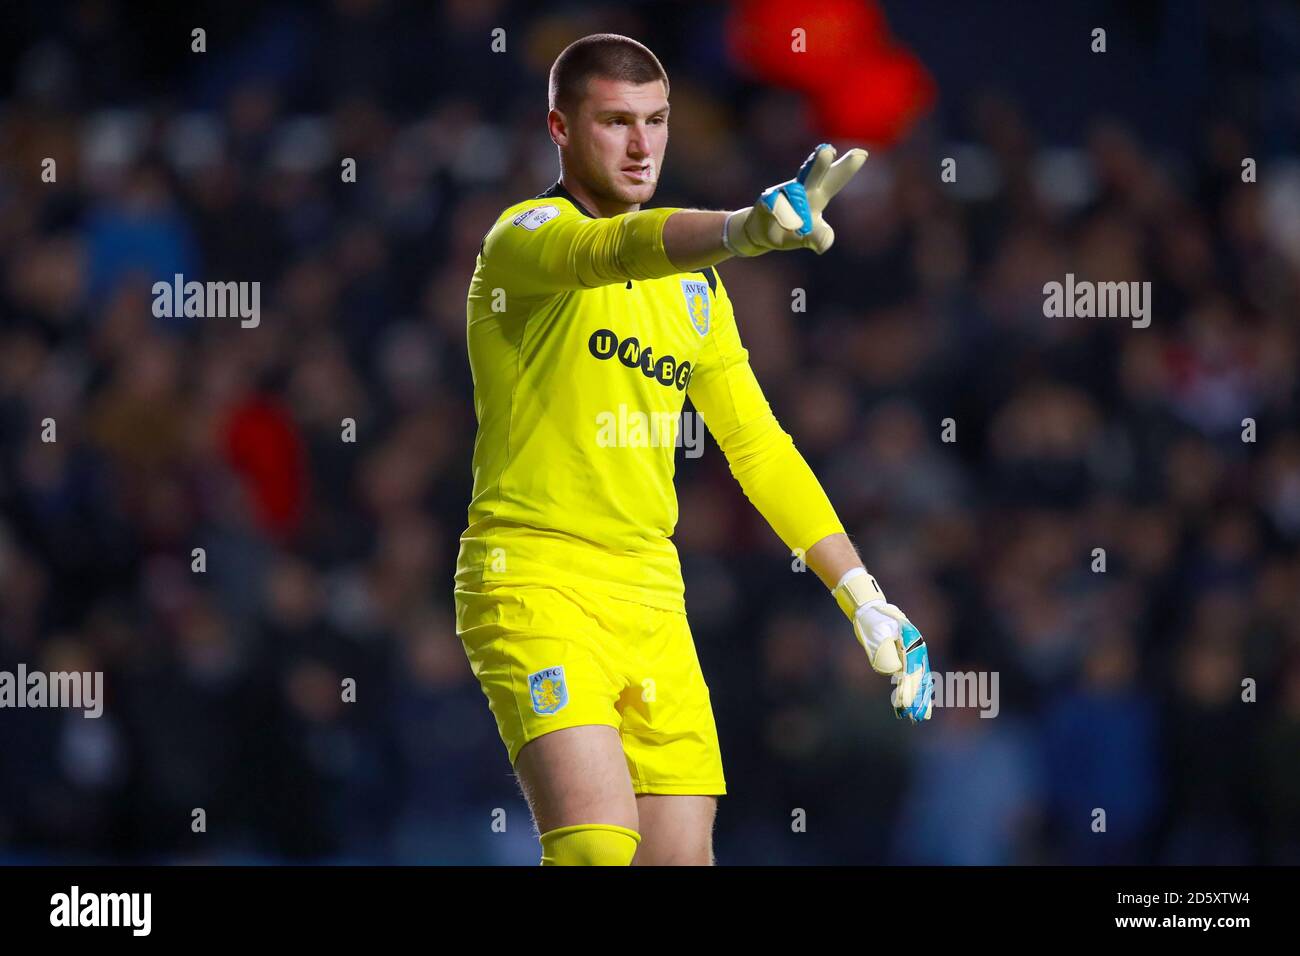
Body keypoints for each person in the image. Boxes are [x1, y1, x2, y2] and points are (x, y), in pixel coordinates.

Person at [454, 33, 933, 866]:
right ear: (561, 130)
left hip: (650, 591)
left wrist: (860, 592)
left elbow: (757, 445)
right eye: (615, 123)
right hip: (533, 574)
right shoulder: (526, 239)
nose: (642, 146)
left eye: (657, 120)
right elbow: (613, 248)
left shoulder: (694, 291)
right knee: (599, 846)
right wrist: (746, 229)